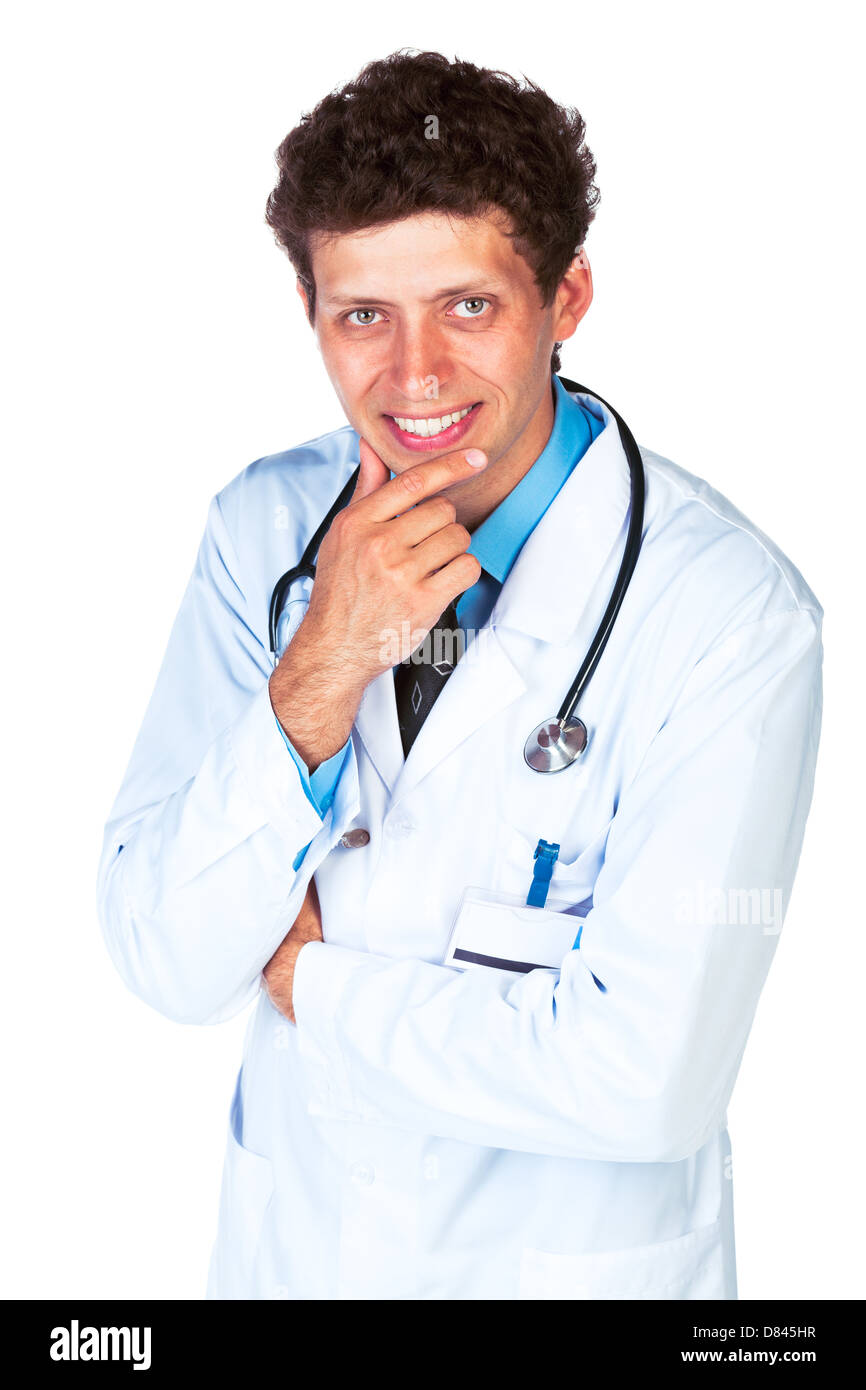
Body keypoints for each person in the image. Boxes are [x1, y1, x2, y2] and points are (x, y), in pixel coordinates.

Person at [96, 50, 823, 1301]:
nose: (415, 374)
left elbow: (644, 1081)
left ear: (566, 296)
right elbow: (165, 952)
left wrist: (309, 982)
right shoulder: (262, 535)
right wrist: (326, 656)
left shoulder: (727, 615)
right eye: (361, 314)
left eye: (467, 307)